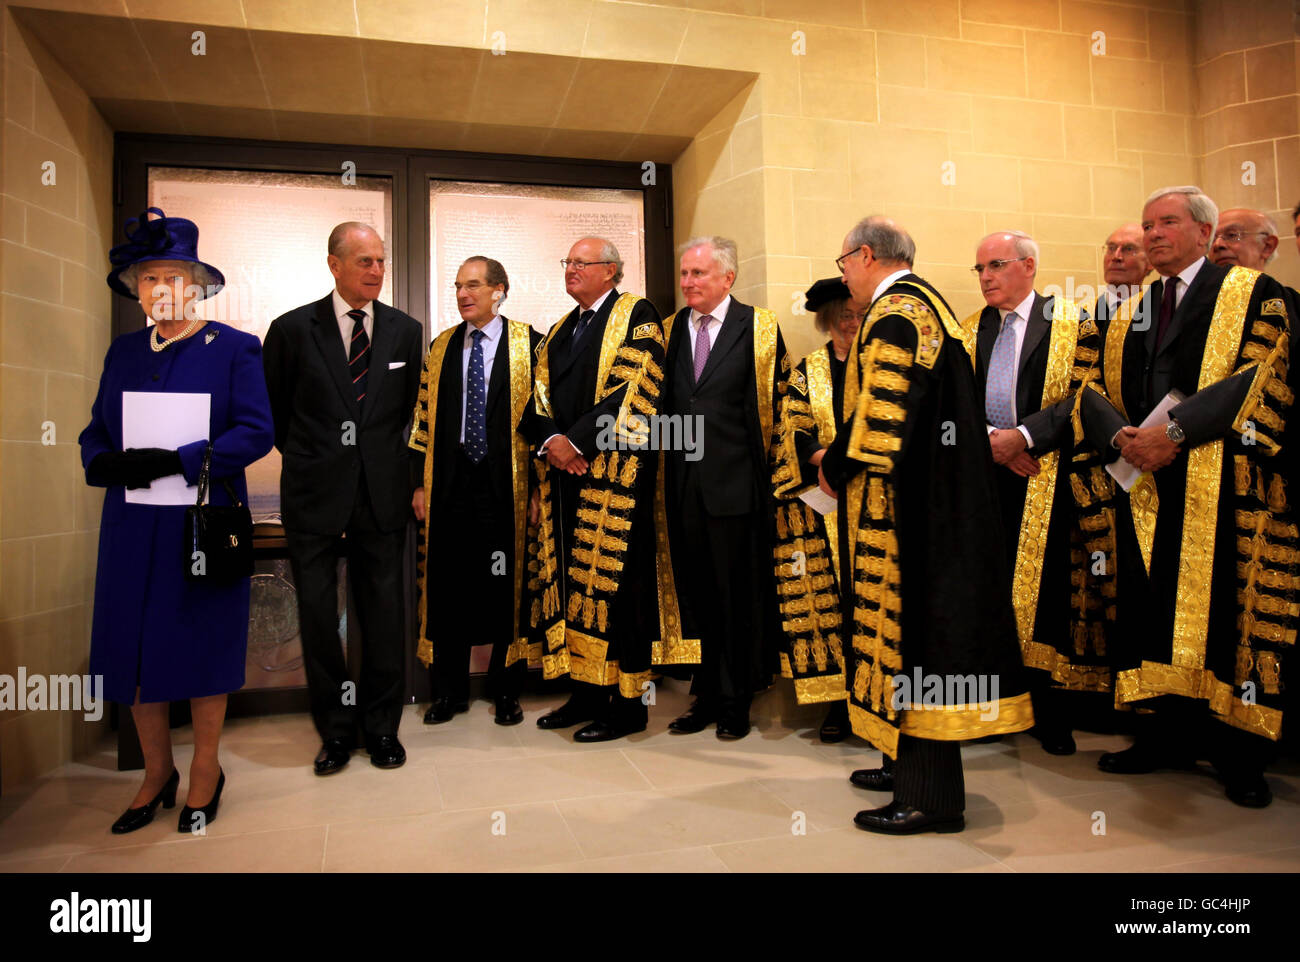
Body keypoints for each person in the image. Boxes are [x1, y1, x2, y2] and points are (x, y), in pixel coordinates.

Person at [1079, 185, 1295, 807]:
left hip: (1223, 480)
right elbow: (1087, 381)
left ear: (1205, 233)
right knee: (1152, 605)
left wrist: (1173, 432)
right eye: (1148, 225)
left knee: (1229, 608)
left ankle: (1241, 754)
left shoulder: (1251, 294)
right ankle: (1162, 734)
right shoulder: (1131, 307)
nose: (1153, 235)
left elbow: (1257, 375)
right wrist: (1117, 433)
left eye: (1167, 223)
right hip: (1143, 481)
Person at [817, 216, 1034, 835]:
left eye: (843, 265)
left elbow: (881, 423)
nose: (844, 279)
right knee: (912, 640)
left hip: (917, 516)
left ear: (863, 255)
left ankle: (932, 798)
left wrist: (832, 464)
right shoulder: (930, 304)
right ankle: (900, 762)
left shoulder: (895, 314)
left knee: (919, 643)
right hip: (941, 503)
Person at [80, 208, 274, 833]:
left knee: (202, 646)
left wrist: (184, 459)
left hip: (204, 524)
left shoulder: (237, 349)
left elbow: (258, 432)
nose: (157, 290)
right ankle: (155, 772)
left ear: (196, 283)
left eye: (169, 277)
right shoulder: (124, 351)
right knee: (136, 651)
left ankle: (206, 772)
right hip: (132, 528)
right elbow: (95, 431)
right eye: (146, 279)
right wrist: (101, 460)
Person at [262, 222, 424, 775]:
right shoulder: (290, 330)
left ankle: (381, 729)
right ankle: (334, 733)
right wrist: (322, 460)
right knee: (316, 616)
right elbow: (277, 416)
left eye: (380, 261)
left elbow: (407, 415)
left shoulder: (405, 331)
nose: (377, 271)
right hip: (314, 495)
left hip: (382, 495)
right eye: (364, 262)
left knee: (383, 615)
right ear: (334, 264)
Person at [518, 237, 685, 742]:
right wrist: (552, 440)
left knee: (618, 590)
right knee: (573, 588)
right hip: (566, 479)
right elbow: (535, 397)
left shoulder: (638, 314)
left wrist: (577, 440)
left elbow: (634, 391)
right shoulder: (561, 329)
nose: (570, 269)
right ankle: (586, 691)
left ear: (610, 270)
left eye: (581, 263)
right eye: (566, 261)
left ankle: (628, 704)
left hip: (616, 478)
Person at [964, 230, 1104, 756]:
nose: (985, 278)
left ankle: (1049, 711)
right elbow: (954, 401)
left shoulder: (1074, 321)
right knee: (991, 590)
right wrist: (992, 443)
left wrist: (1023, 438)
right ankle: (999, 704)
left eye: (994, 265)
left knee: (1048, 594)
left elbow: (1085, 392)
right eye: (978, 269)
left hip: (1049, 474)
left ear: (1028, 265)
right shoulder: (969, 328)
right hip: (987, 478)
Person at [409, 257, 541, 726]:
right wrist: (418, 486)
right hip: (449, 485)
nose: (463, 294)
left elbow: (544, 421)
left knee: (507, 587)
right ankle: (449, 693)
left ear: (499, 290)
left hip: (506, 484)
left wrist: (536, 493)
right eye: (458, 286)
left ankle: (507, 692)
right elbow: (423, 420)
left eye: (473, 286)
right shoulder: (442, 346)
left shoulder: (531, 344)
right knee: (449, 586)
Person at [770, 277, 865, 742]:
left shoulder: (882, 364)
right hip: (824, 502)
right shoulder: (810, 369)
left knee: (873, 603)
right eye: (842, 315)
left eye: (858, 313)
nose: (851, 322)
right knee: (831, 606)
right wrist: (828, 459)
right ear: (827, 321)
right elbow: (792, 428)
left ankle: (879, 701)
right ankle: (838, 705)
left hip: (875, 502)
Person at [1096, 223, 1151, 325]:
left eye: (1129, 249)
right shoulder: (1083, 317)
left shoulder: (1158, 317)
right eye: (1111, 248)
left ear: (1151, 261)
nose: (1116, 257)